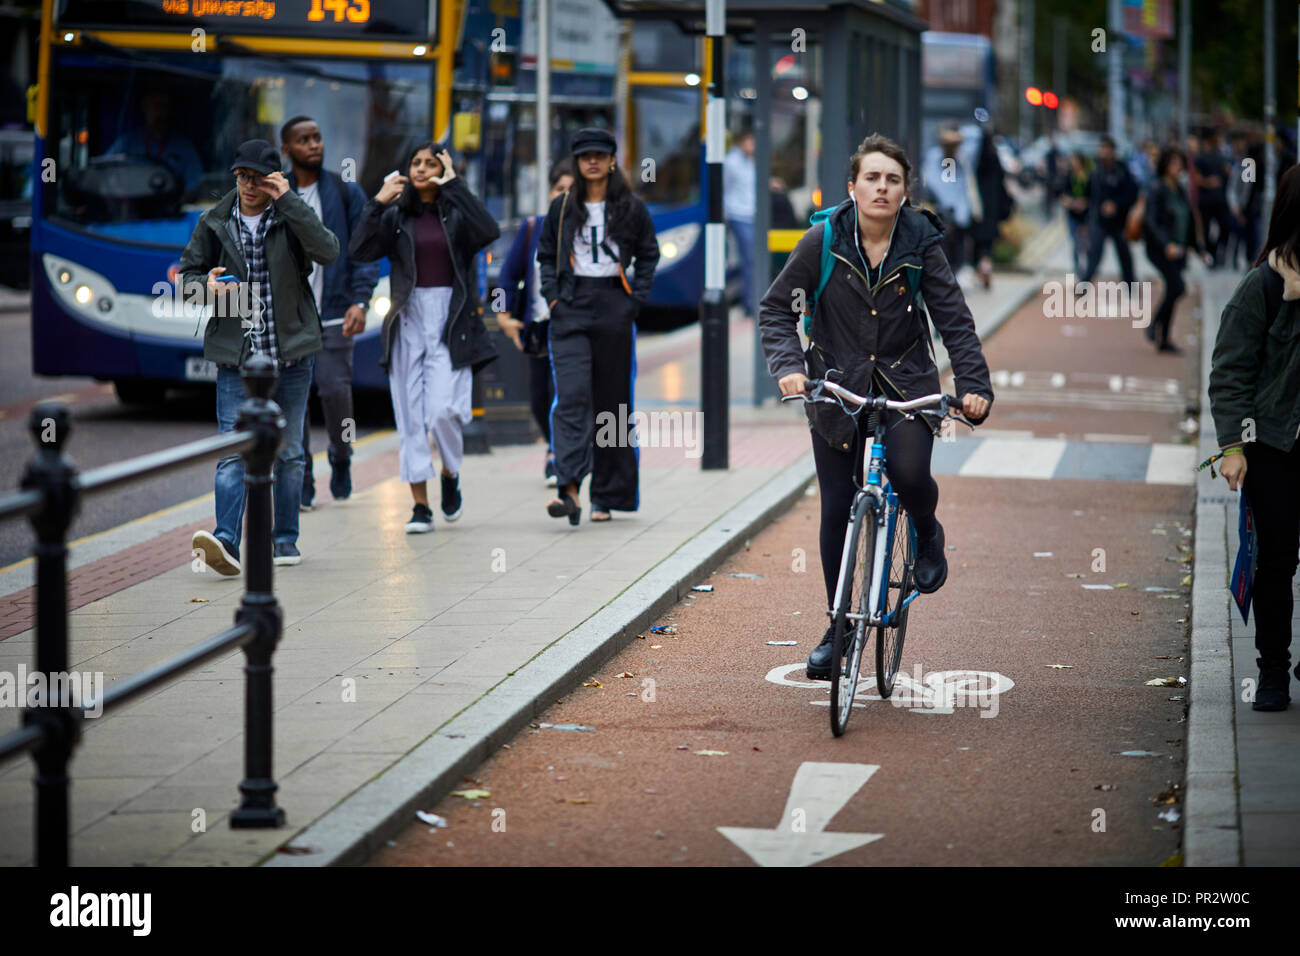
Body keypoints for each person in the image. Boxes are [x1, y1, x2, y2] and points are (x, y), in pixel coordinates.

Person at [759, 133, 994, 680]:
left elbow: (954, 320)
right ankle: (837, 627)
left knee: (910, 473)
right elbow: (776, 310)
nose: (882, 188)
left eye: (892, 180)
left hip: (906, 382)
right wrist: (790, 369)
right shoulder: (822, 241)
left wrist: (974, 385)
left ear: (905, 192)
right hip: (837, 385)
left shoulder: (921, 244)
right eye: (872, 178)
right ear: (853, 187)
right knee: (838, 504)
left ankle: (928, 530)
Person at [182, 139, 339, 573]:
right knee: (234, 449)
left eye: (259, 178)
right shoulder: (213, 222)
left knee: (287, 454)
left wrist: (287, 199)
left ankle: (284, 539)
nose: (249, 186)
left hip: (290, 354)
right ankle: (226, 539)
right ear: (234, 176)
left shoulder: (290, 217)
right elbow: (187, 280)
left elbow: (328, 250)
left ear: (273, 180)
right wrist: (205, 287)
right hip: (238, 358)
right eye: (243, 176)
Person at [348, 143, 500, 533]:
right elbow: (359, 250)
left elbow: (489, 230)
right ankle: (419, 506)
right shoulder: (397, 215)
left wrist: (455, 183)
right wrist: (377, 203)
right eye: (415, 162)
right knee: (410, 417)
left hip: (450, 320)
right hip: (407, 318)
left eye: (430, 163)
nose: (420, 168)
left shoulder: (457, 213)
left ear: (443, 168)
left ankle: (450, 472)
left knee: (442, 412)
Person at [1208, 163, 1300, 710]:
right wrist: (1235, 447)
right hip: (1275, 448)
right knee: (1276, 564)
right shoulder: (1263, 285)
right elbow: (1231, 370)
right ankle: (1271, 672)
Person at [537, 127, 660, 525]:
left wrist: (633, 302)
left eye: (599, 154)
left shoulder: (631, 209)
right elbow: (545, 256)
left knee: (613, 406)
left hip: (613, 306)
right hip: (570, 307)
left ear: (611, 161)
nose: (592, 161)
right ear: (576, 162)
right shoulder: (561, 209)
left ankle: (606, 496)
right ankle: (568, 486)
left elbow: (648, 254)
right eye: (584, 155)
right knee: (571, 396)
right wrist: (553, 298)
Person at [280, 115, 380, 510]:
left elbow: (365, 250)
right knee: (295, 400)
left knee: (336, 393)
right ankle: (301, 474)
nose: (314, 145)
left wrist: (361, 301)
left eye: (318, 138)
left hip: (336, 312)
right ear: (287, 149)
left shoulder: (343, 193)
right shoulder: (278, 194)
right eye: (304, 140)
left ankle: (341, 458)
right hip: (291, 320)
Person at [496, 159, 576, 487]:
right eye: (560, 189)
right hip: (538, 327)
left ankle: (559, 455)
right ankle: (552, 445)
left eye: (573, 191)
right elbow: (507, 275)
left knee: (566, 394)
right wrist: (502, 316)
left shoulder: (585, 232)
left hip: (572, 327)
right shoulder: (533, 228)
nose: (565, 196)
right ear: (549, 191)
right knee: (539, 397)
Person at [1142, 147, 1210, 353]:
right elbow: (1151, 221)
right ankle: (1154, 324)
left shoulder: (1180, 190)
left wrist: (1199, 250)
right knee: (1177, 287)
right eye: (1173, 163)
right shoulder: (1157, 188)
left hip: (1179, 250)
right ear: (1164, 165)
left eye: (1179, 163)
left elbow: (1188, 222)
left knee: (1173, 289)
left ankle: (1164, 339)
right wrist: (1166, 244)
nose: (1177, 167)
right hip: (1160, 250)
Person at [105, 90, 204, 197]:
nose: (161, 113)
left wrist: (175, 206)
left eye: (165, 107)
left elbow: (194, 187)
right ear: (145, 108)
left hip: (170, 210)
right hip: (131, 209)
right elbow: (104, 174)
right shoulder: (127, 143)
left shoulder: (184, 147)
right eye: (156, 106)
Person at [1078, 135, 1138, 287]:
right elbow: (1089, 197)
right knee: (1094, 256)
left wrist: (1116, 205)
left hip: (1118, 222)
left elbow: (1132, 194)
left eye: (1106, 148)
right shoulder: (1096, 172)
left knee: (1124, 256)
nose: (1103, 152)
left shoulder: (1122, 171)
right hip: (1100, 222)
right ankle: (1084, 285)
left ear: (1112, 151)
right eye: (1101, 148)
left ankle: (1131, 286)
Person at [922, 125, 979, 279]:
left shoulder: (963, 157)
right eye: (948, 145)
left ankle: (954, 279)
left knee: (957, 254)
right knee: (943, 254)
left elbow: (976, 135)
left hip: (959, 215)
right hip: (941, 213)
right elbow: (931, 182)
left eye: (954, 145)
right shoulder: (934, 157)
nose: (951, 148)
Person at [971, 128, 1012, 290]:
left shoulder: (977, 163)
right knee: (988, 246)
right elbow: (1002, 185)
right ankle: (986, 265)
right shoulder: (995, 160)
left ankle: (980, 269)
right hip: (993, 209)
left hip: (978, 209)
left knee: (977, 244)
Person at [724, 129, 757, 317]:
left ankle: (750, 299)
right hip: (738, 213)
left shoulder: (751, 161)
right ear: (743, 140)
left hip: (751, 214)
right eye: (751, 142)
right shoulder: (731, 162)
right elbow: (724, 188)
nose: (753, 147)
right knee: (749, 257)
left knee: (750, 258)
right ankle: (748, 302)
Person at [1195, 130, 1234, 269]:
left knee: (1226, 228)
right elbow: (1196, 177)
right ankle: (1211, 255)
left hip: (1220, 200)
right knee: (1205, 231)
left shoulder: (1221, 157)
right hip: (1206, 200)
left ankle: (1217, 252)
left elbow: (1228, 171)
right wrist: (1208, 182)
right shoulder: (1200, 158)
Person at [1060, 152, 1092, 276]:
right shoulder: (1069, 177)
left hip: (1086, 216)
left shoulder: (1088, 177)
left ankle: (1089, 272)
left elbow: (1093, 196)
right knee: (1075, 244)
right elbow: (1062, 194)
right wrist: (1070, 202)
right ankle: (1078, 273)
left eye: (1075, 161)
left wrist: (1085, 203)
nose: (1073, 164)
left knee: (1087, 244)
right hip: (1073, 215)